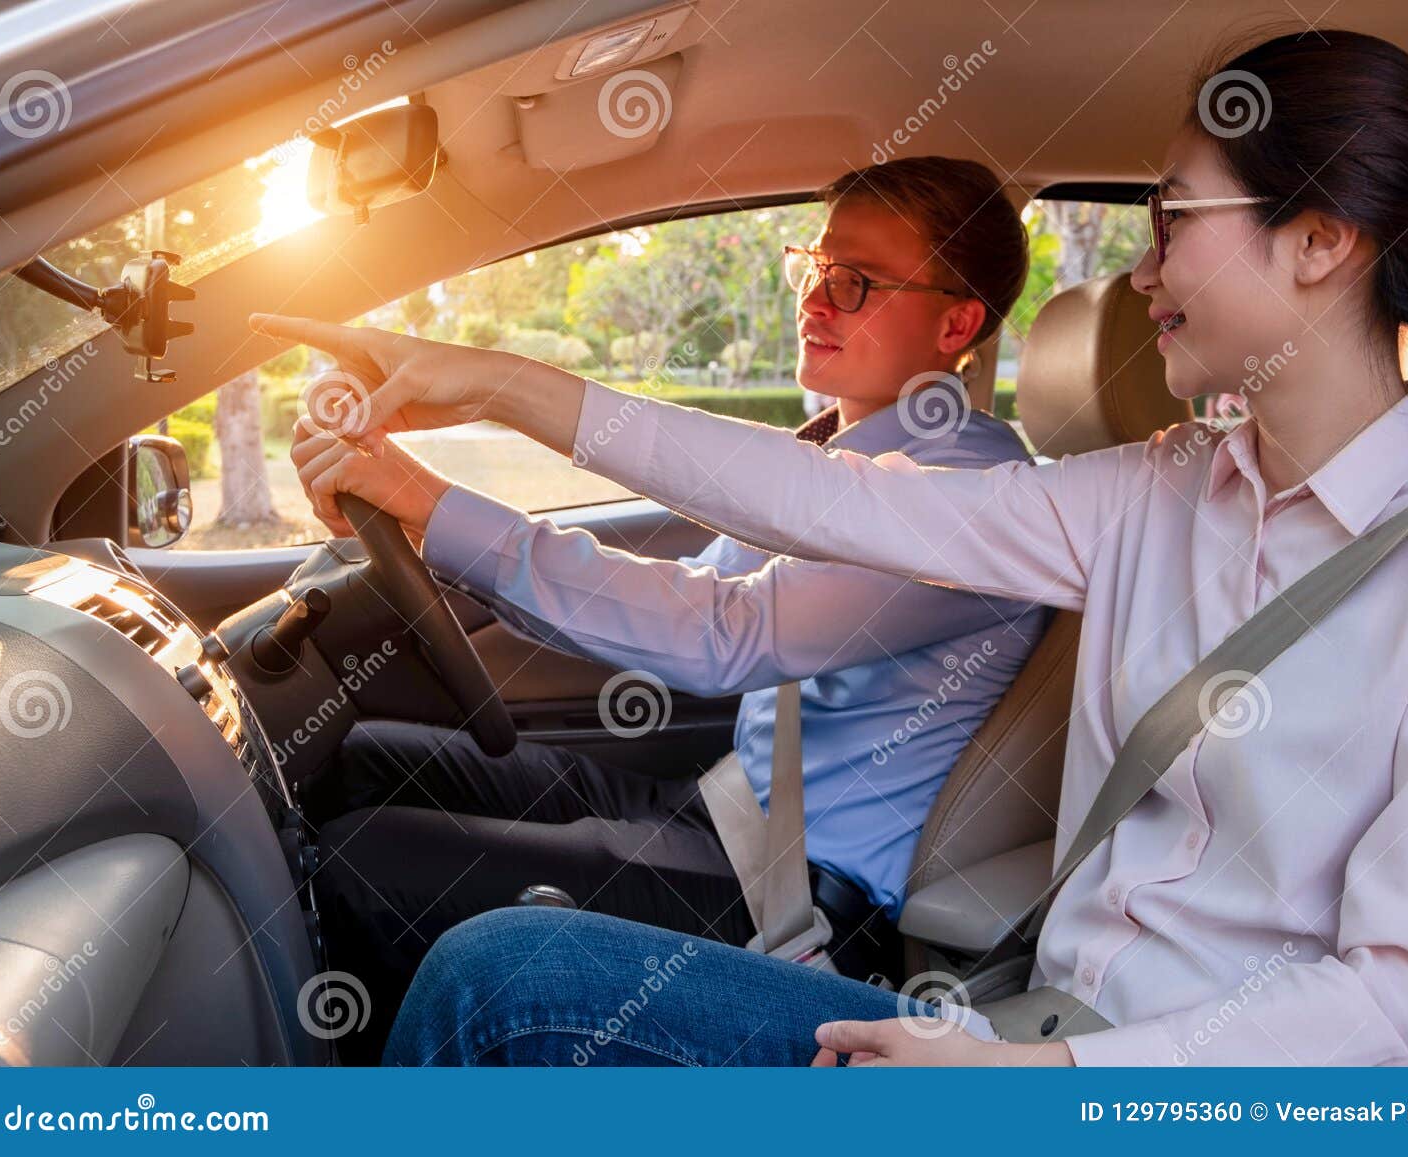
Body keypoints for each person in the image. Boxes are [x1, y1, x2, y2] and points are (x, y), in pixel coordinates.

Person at [253, 29, 1408, 1066]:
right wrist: (495, 383)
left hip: (1144, 1089)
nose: (1139, 272)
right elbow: (826, 504)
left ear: (1323, 242)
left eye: (1176, 217)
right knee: (504, 962)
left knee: (507, 977)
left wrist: (1031, 1082)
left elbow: (1407, 1004)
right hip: (1017, 1024)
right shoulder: (1161, 491)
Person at [286, 157, 1046, 1061]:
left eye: (855, 283)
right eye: (814, 269)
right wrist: (426, 531)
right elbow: (666, 600)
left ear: (957, 321)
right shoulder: (841, 459)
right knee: (359, 762)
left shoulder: (972, 498)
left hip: (798, 895)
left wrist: (430, 500)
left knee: (365, 864)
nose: (816, 300)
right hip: (726, 810)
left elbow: (723, 630)